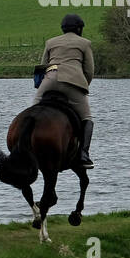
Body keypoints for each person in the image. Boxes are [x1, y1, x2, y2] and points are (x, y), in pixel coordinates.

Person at [34, 13, 96, 168]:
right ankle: (83, 155)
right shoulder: (84, 43)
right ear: (79, 28)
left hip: (49, 80)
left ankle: (23, 149)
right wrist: (82, 86)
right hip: (73, 81)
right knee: (87, 118)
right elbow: (89, 71)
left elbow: (42, 66)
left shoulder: (50, 42)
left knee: (32, 112)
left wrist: (42, 86)